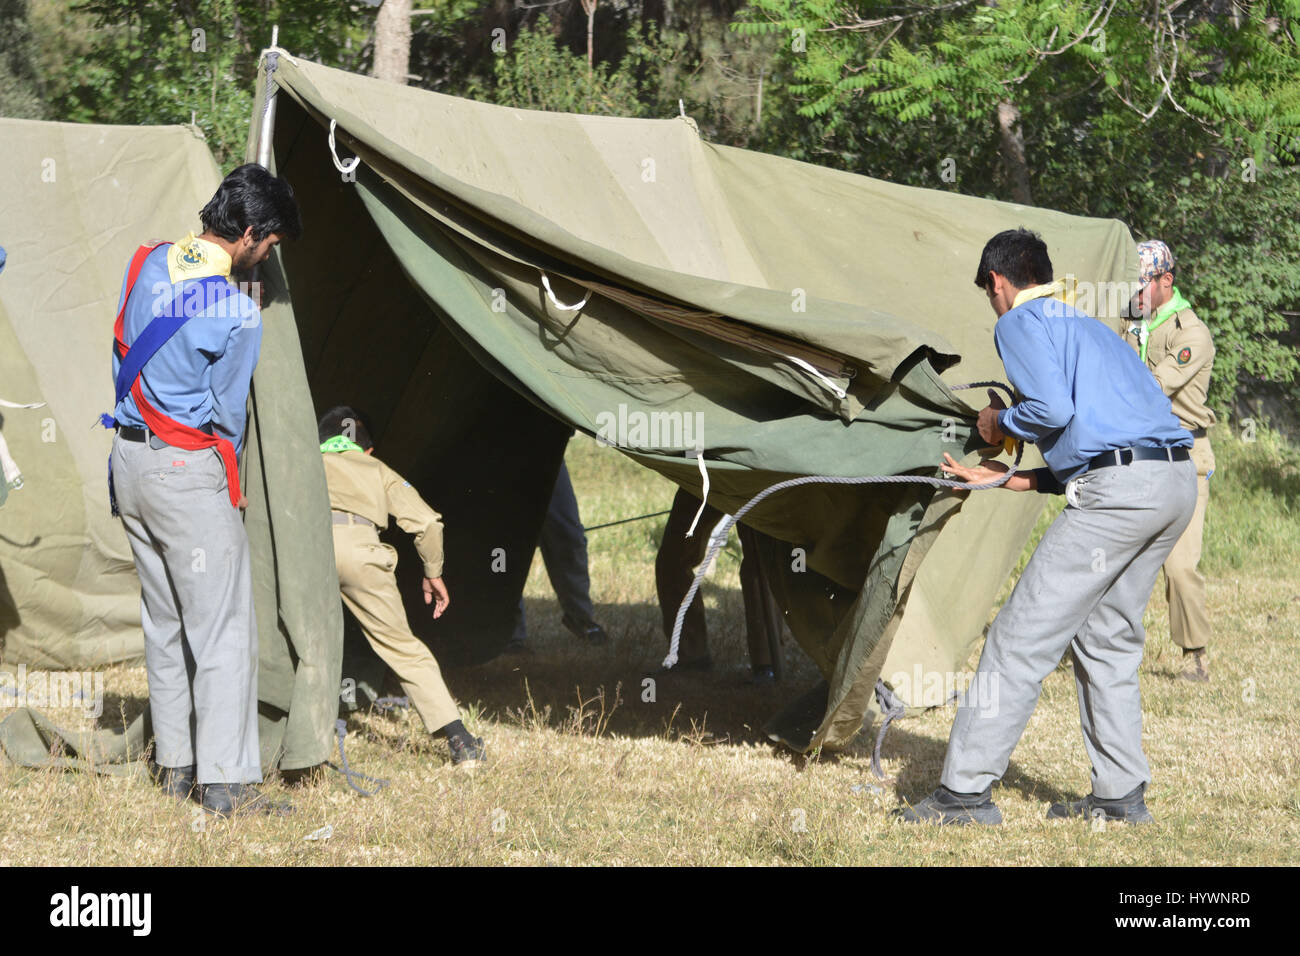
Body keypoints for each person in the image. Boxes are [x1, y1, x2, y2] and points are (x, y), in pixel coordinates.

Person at [899, 228, 1196, 826]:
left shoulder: (1017, 323)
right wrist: (1008, 479)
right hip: (1172, 485)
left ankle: (962, 796)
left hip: (1120, 494)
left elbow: (1053, 413)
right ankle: (1119, 798)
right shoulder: (1087, 327)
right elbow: (1111, 442)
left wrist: (996, 421)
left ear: (999, 284)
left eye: (989, 290)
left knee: (1017, 637)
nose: (992, 300)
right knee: (1106, 637)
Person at [107, 164, 301, 817]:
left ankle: (174, 768)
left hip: (127, 465)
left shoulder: (145, 263)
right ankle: (225, 786)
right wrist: (229, 489)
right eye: (269, 245)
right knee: (221, 630)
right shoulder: (237, 315)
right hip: (186, 475)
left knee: (164, 622)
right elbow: (227, 418)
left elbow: (121, 350)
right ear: (248, 233)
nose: (267, 258)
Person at [318, 406, 485, 767]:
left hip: (310, 550)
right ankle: (460, 741)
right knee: (402, 647)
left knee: (298, 645)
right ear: (368, 450)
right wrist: (433, 572)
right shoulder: (375, 468)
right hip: (363, 551)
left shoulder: (302, 463)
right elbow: (426, 521)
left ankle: (294, 749)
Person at [1124, 240, 1216, 682]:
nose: (1137, 293)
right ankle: (1098, 641)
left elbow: (1152, 385)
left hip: (1185, 456)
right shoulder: (1131, 322)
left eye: (1144, 284)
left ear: (1166, 281)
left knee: (1179, 566)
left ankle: (1195, 654)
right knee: (1114, 555)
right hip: (1135, 453)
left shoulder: (1190, 333)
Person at [655, 487, 784, 682]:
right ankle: (690, 655)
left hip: (751, 473)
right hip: (704, 470)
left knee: (760, 561)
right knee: (673, 557)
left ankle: (767, 664)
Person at [508, 460, 608, 650]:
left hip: (548, 450)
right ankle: (510, 634)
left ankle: (581, 618)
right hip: (498, 451)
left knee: (569, 536)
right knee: (506, 545)